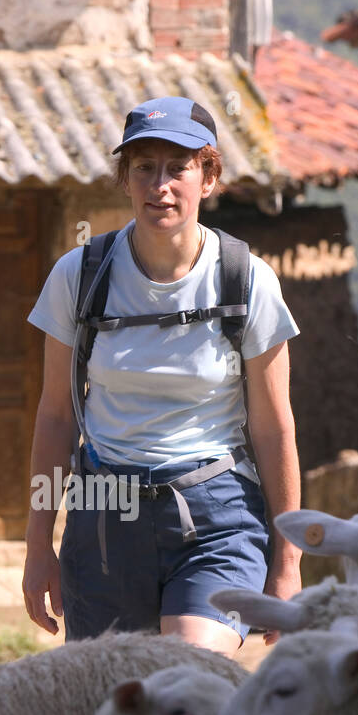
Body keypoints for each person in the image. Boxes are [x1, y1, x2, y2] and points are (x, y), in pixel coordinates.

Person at [23, 96, 302, 655]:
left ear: (209, 176)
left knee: (187, 678)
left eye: (179, 168)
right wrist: (38, 547)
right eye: (144, 168)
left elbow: (274, 429)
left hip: (216, 512)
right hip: (104, 515)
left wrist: (287, 560)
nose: (161, 186)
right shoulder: (79, 276)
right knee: (113, 704)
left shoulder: (245, 281)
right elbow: (56, 417)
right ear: (125, 179)